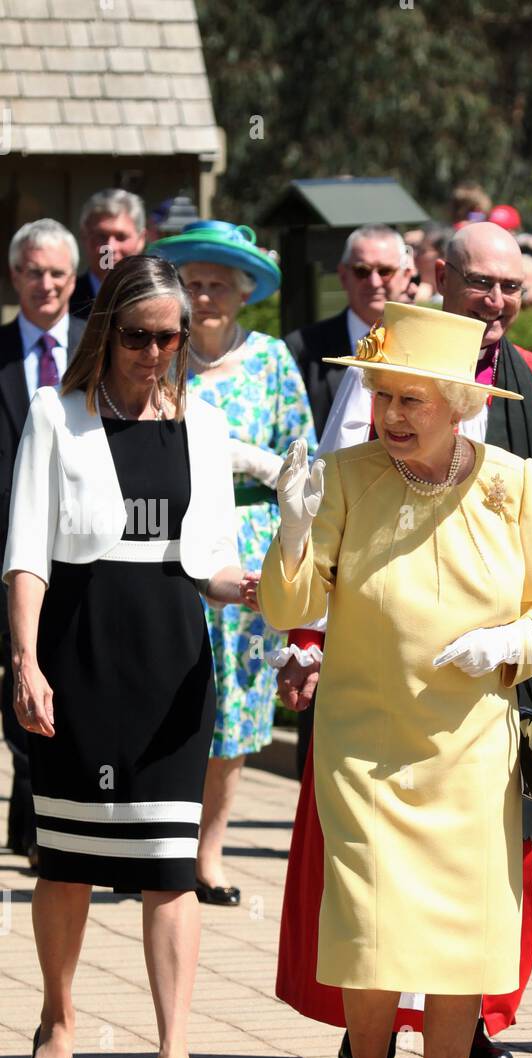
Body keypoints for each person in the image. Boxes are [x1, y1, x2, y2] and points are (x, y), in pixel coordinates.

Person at [277, 220, 532, 1058]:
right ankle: (374, 1023)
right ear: (442, 278)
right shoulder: (384, 377)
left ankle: (472, 1021)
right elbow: (329, 522)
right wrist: (308, 638)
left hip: (504, 670)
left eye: (511, 289)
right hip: (379, 680)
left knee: (495, 864)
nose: (498, 302)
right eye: (481, 286)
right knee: (373, 876)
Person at [258, 303, 532, 1058]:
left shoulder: (512, 482)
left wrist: (506, 644)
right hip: (363, 750)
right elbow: (288, 610)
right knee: (373, 933)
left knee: (461, 947)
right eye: (380, 396)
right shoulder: (345, 477)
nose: (389, 415)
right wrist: (290, 530)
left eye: (409, 401)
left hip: (471, 754)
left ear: (457, 405)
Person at [4, 254, 246, 1058]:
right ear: (107, 332)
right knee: (66, 862)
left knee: (170, 867)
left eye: (168, 337)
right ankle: (59, 1022)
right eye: (138, 336)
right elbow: (27, 553)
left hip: (173, 659)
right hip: (79, 652)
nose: (153, 353)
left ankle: (174, 1057)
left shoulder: (205, 426)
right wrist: (25, 665)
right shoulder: (55, 415)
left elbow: (210, 559)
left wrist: (244, 585)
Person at [149, 220, 316, 906]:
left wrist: (259, 467)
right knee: (166, 693)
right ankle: (158, 845)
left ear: (243, 293)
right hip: (169, 540)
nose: (206, 295)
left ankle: (207, 855)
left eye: (219, 284)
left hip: (249, 539)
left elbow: (304, 461)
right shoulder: (159, 354)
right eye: (193, 284)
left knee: (239, 709)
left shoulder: (272, 358)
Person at [1, 220, 86, 870]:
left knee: (58, 686)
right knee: (19, 691)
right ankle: (31, 824)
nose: (46, 284)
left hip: (77, 558)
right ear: (15, 277)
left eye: (58, 272)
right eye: (34, 271)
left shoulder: (97, 351)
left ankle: (41, 828)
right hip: (6, 558)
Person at [285, 225, 417, 437]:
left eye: (385, 271)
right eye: (361, 271)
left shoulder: (424, 346)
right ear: (343, 275)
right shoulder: (301, 348)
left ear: (406, 275)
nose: (374, 282)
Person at [70, 190, 147, 318]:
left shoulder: (158, 298)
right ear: (84, 237)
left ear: (141, 239)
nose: (110, 247)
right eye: (101, 236)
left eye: (121, 236)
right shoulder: (63, 302)